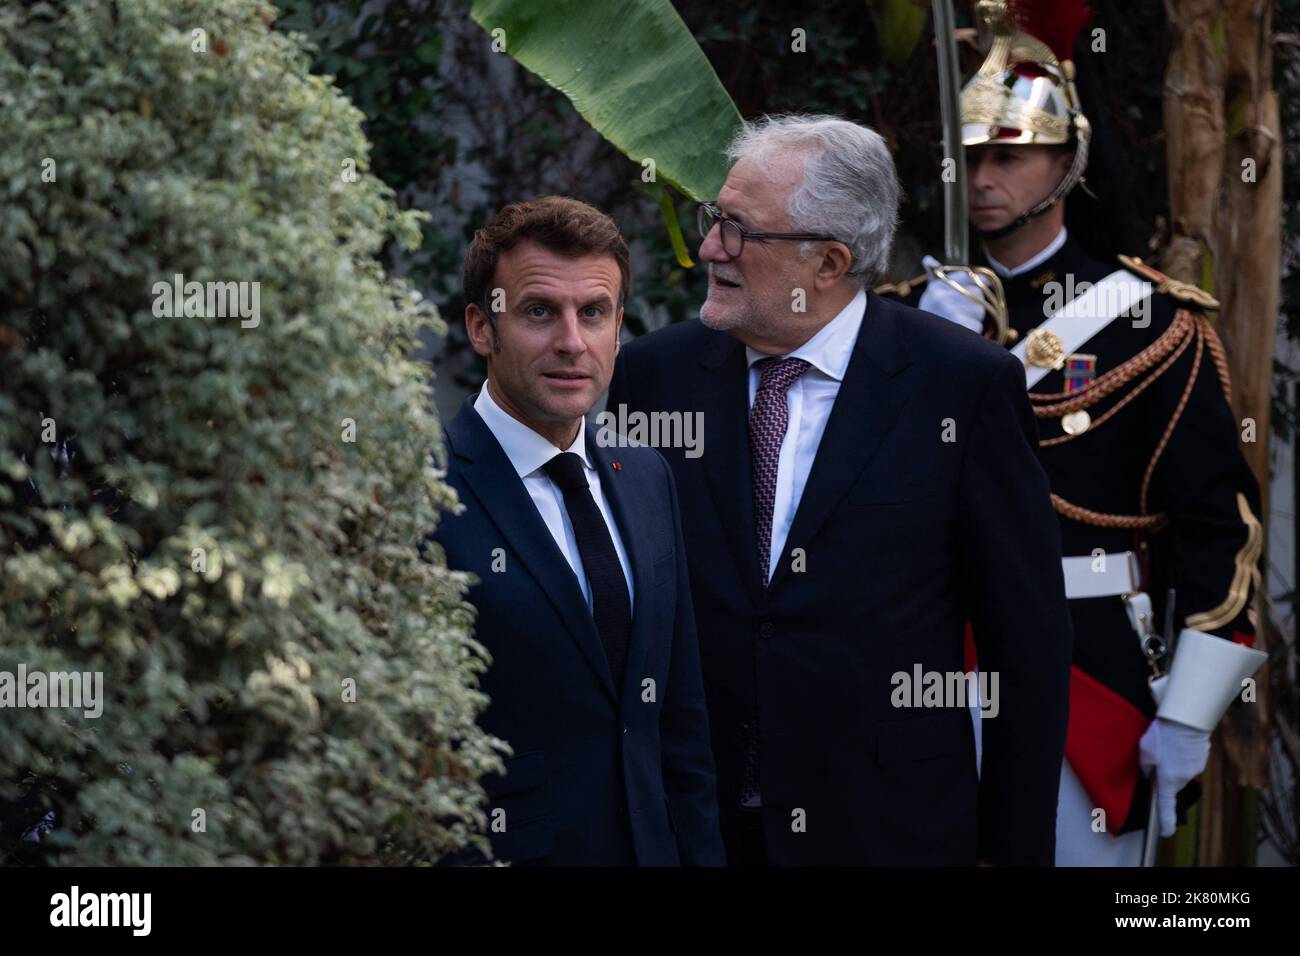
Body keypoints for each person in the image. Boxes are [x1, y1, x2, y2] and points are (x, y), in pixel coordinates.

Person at [607, 114, 1073, 866]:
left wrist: (1013, 852)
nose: (709, 249)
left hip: (890, 831)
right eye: (714, 220)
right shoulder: (654, 376)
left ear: (828, 262)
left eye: (738, 231)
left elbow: (1027, 647)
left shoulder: (961, 385)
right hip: (696, 828)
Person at [878, 0, 1267, 865]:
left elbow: (1218, 530)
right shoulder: (899, 321)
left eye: (1009, 156)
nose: (983, 178)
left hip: (1086, 671)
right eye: (971, 155)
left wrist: (1188, 713)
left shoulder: (1154, 323)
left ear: (1068, 159)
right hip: (922, 657)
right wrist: (906, 355)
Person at [432, 196, 725, 866]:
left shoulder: (647, 477)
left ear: (618, 327)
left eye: (593, 313)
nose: (572, 341)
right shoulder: (421, 492)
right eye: (540, 312)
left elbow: (681, 725)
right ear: (483, 326)